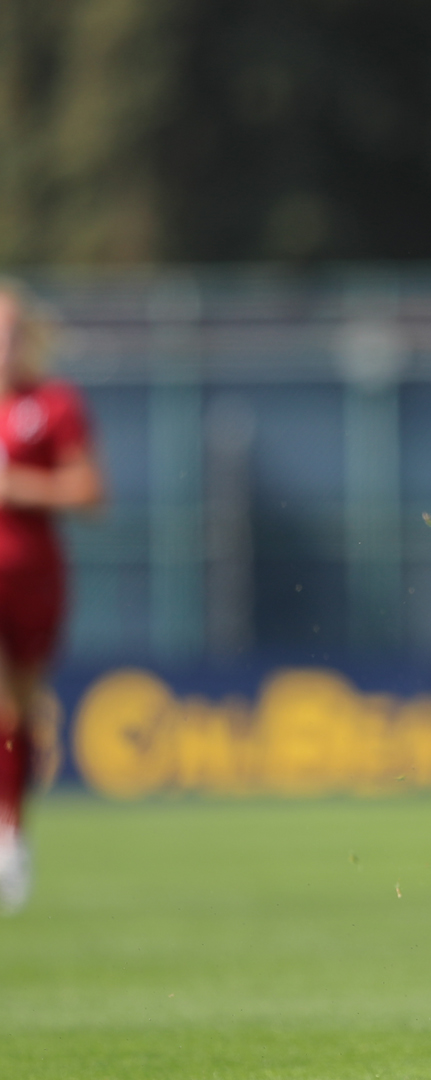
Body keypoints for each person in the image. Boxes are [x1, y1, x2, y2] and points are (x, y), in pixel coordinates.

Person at [0, 282, 105, 914]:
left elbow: (89, 491)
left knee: (20, 711)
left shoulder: (53, 404)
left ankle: (12, 833)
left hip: (33, 579)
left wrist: (16, 486)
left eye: (12, 333)